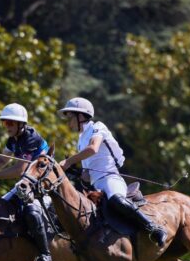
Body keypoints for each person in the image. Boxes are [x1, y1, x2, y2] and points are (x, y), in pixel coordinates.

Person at [58, 97, 167, 247]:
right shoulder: (80, 140)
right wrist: (76, 173)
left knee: (116, 199)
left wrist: (69, 161)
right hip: (96, 186)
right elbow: (87, 176)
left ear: (81, 116)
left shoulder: (97, 127)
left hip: (110, 178)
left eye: (70, 117)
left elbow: (93, 148)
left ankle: (153, 227)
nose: (68, 121)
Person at [0, 103, 54, 261]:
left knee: (31, 212)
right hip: (25, 185)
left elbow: (19, 170)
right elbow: (3, 160)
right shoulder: (13, 140)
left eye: (10, 123)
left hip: (43, 184)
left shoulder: (30, 138)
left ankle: (45, 255)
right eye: (5, 122)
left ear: (21, 124)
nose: (7, 126)